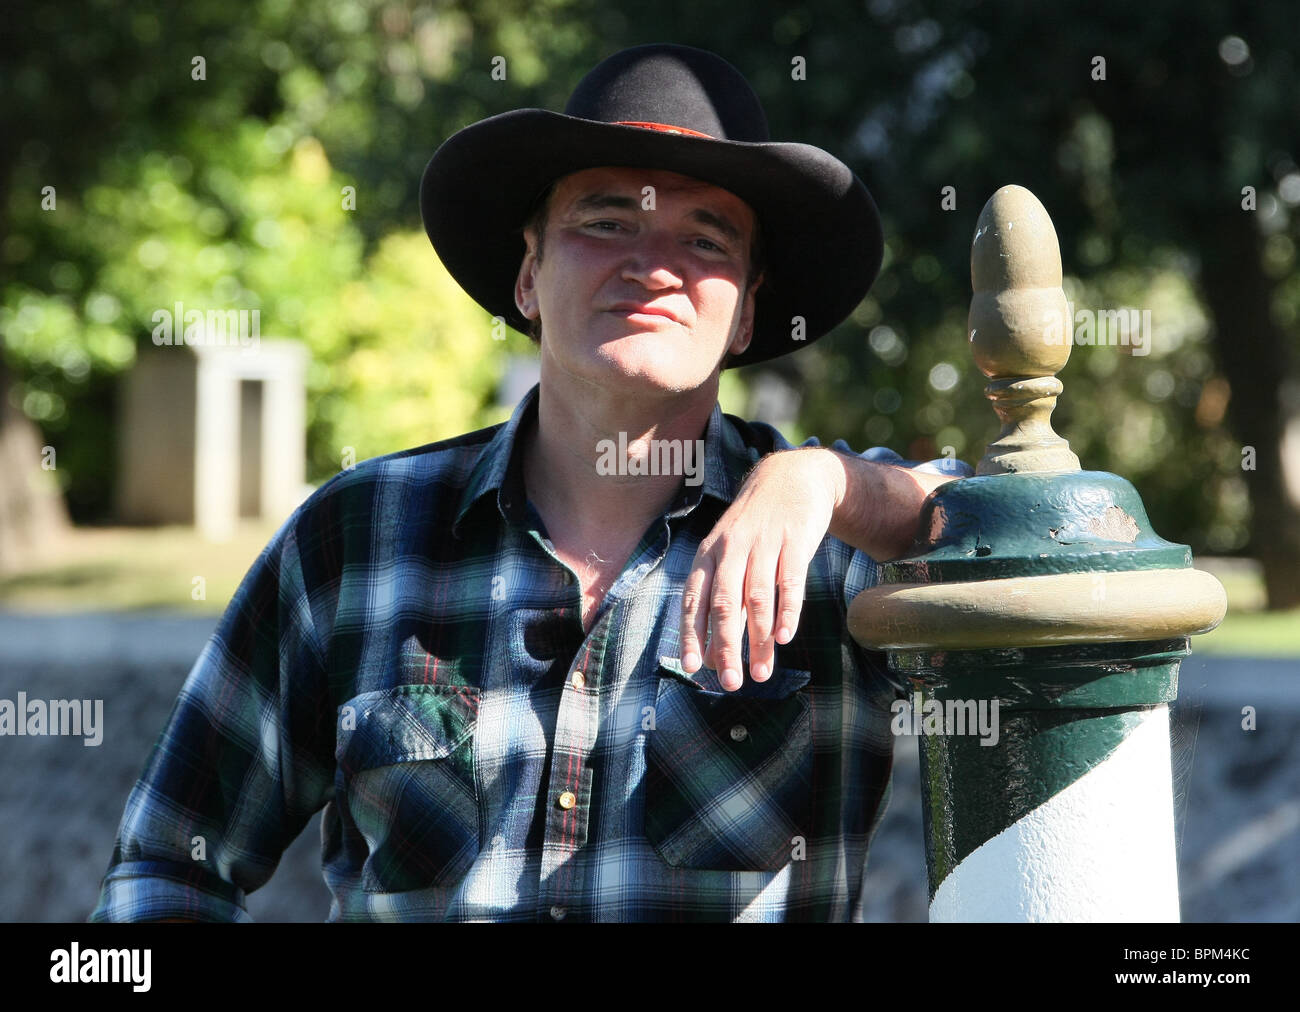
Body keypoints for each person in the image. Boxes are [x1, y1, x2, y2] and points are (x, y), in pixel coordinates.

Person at [90, 43, 967, 923]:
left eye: (705, 239)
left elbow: (1041, 546)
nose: (653, 264)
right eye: (606, 221)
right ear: (528, 273)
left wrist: (830, 484)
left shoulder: (830, 549)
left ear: (744, 310)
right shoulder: (353, 539)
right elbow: (168, 864)